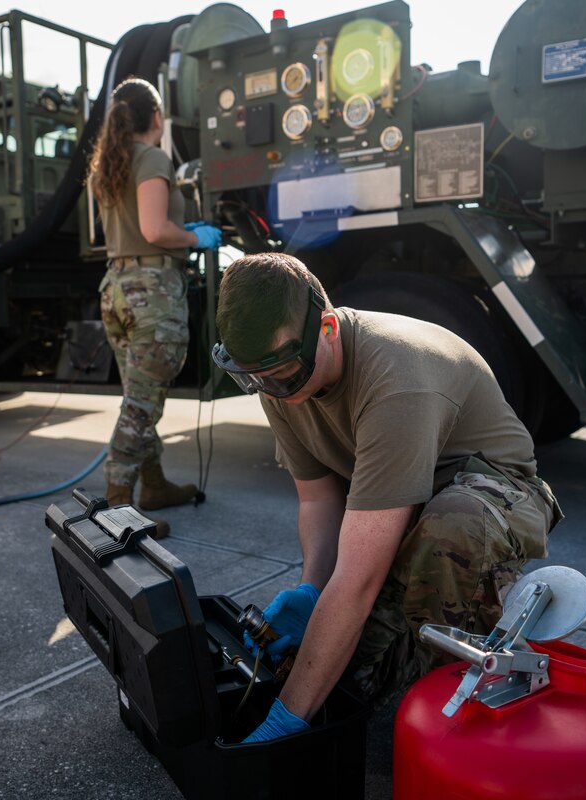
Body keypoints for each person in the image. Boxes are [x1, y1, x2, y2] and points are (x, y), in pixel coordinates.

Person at [212, 253, 562, 741]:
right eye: (250, 378)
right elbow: (318, 500)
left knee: (450, 533)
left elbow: (356, 579)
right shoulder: (280, 375)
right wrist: (311, 591)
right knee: (331, 667)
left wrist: (291, 716)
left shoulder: (395, 380)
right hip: (406, 498)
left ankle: (444, 699)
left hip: (492, 498)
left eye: (280, 375)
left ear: (328, 329)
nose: (268, 391)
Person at [87, 77, 222, 536]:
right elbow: (154, 230)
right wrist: (194, 237)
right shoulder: (152, 157)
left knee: (137, 396)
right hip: (152, 293)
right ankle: (116, 504)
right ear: (157, 117)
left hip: (116, 289)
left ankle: (155, 484)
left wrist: (180, 229)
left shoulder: (112, 163)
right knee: (141, 407)